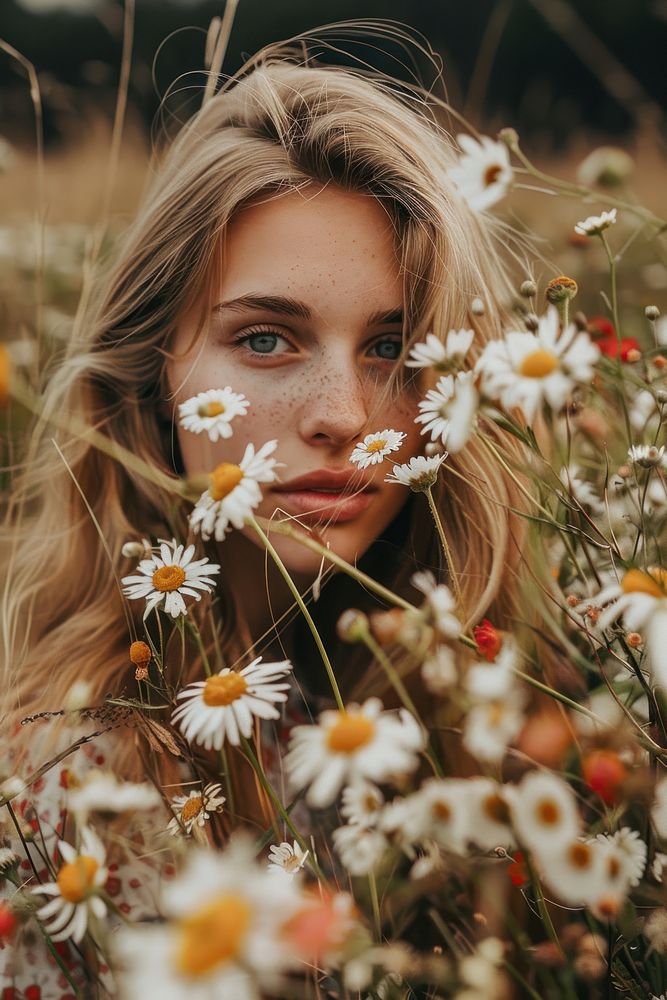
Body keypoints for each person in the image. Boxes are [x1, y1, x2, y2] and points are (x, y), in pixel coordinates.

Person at [0, 24, 526, 996]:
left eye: (395, 349)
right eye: (267, 339)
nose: (342, 416)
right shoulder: (82, 785)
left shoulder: (482, 702)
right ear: (157, 372)